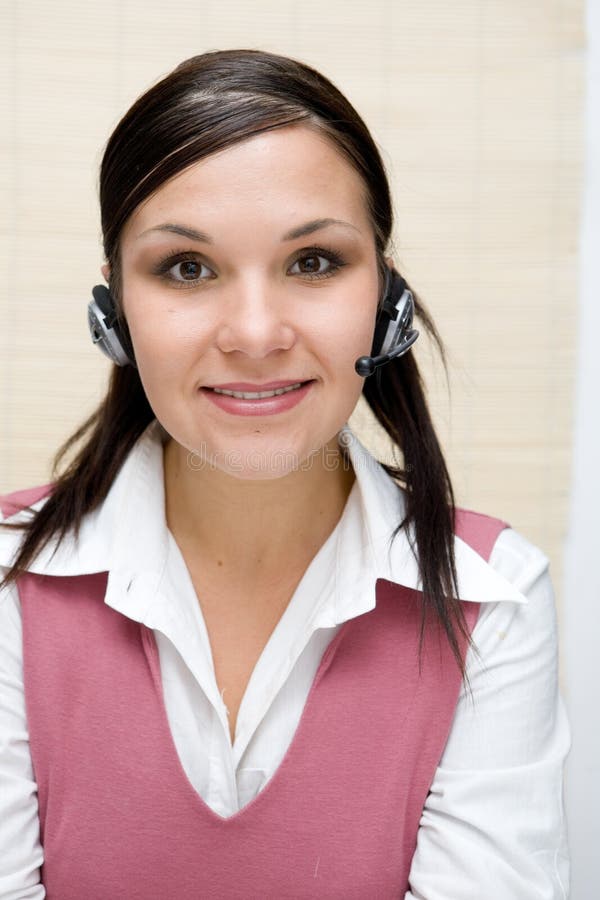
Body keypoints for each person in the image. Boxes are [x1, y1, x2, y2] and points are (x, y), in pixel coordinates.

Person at [0, 49, 570, 898]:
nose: (257, 333)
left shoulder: (494, 600)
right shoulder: (10, 578)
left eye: (313, 262)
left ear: (387, 299)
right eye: (187, 268)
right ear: (114, 311)